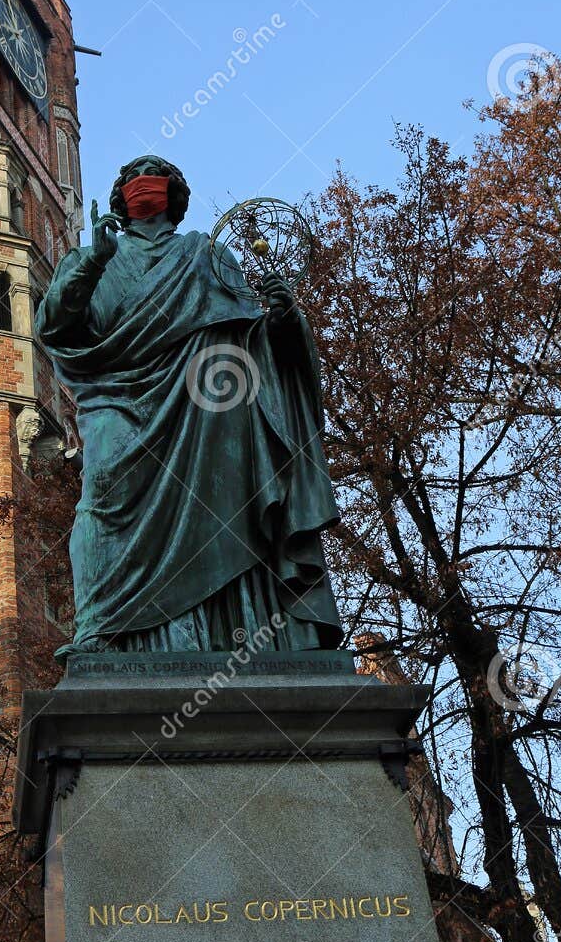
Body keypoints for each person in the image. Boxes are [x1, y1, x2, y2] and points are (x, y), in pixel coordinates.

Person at [35, 155, 343, 655]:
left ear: (173, 196)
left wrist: (284, 324)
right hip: (116, 397)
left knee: (224, 505)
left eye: (154, 177)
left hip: (205, 410)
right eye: (133, 178)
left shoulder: (206, 255)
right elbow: (55, 327)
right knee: (102, 496)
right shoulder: (93, 258)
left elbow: (248, 338)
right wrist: (93, 261)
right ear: (121, 197)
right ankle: (100, 628)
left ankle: (227, 632)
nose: (143, 184)